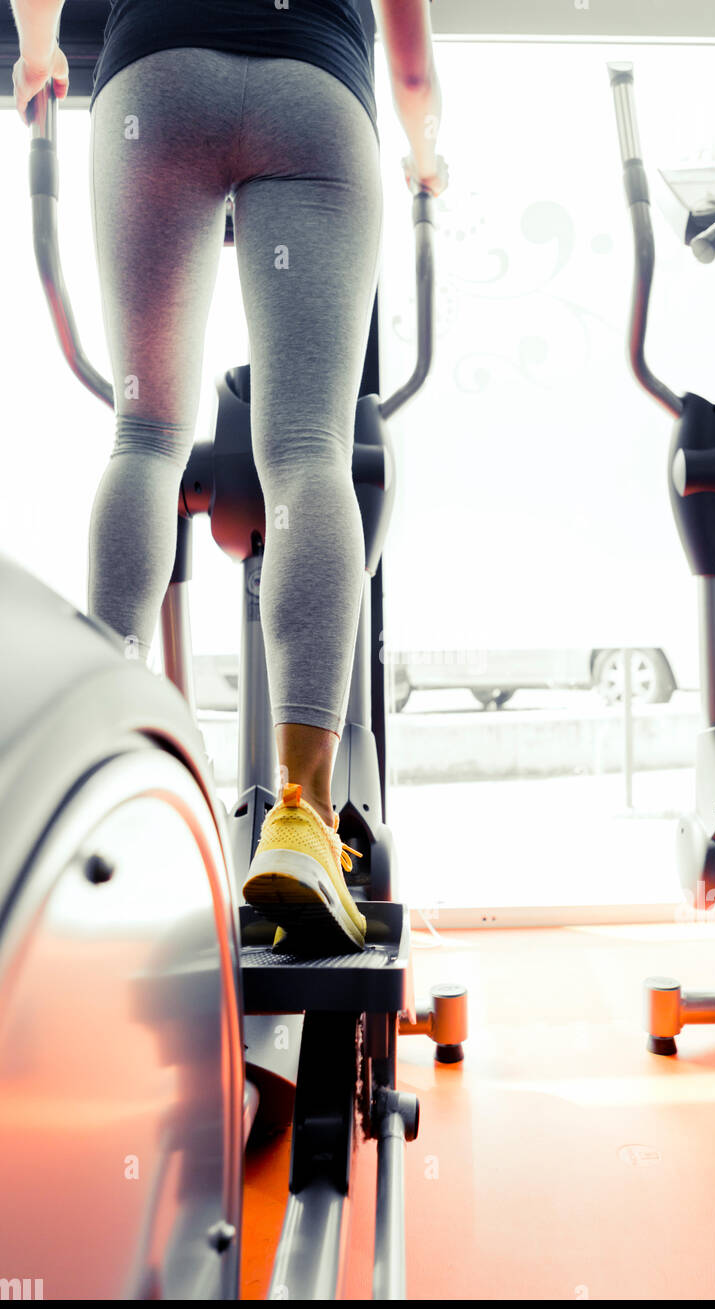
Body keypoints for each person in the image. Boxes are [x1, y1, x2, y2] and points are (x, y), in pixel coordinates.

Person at [11, 0, 447, 954]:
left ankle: (108, 780)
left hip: (155, 82)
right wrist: (424, 154)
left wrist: (38, 53)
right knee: (306, 451)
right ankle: (301, 815)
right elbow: (410, 60)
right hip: (314, 92)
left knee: (147, 434)